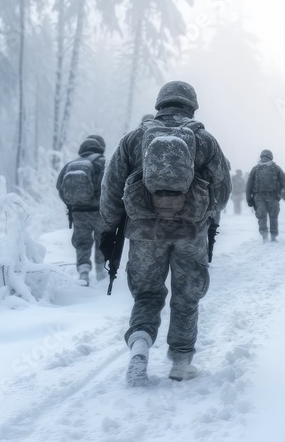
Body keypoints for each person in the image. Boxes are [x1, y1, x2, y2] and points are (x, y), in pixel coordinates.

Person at [100, 81, 231, 386]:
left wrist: (109, 228)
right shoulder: (204, 140)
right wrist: (205, 213)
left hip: (144, 232)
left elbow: (111, 188)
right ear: (191, 106)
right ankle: (181, 363)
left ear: (160, 104)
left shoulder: (134, 139)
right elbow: (222, 192)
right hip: (190, 232)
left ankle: (141, 344)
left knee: (147, 293)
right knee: (187, 296)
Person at [56, 136, 107, 286]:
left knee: (82, 242)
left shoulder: (71, 164)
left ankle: (83, 273)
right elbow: (110, 186)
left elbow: (60, 187)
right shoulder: (103, 163)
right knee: (101, 240)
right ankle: (100, 272)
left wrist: (72, 204)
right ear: (100, 148)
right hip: (99, 212)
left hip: (78, 213)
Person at [247, 150, 285, 242]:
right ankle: (273, 237)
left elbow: (249, 185)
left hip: (259, 197)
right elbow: (284, 182)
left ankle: (264, 237)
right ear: (271, 157)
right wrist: (280, 193)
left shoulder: (255, 168)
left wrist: (249, 198)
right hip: (273, 197)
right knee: (273, 217)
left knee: (261, 217)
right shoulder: (276, 168)